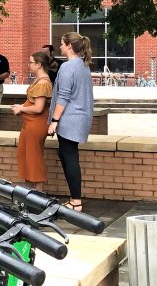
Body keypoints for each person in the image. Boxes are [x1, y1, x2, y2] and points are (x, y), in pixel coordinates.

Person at [47, 32, 94, 212]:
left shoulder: (68, 67)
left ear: (69, 46)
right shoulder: (83, 65)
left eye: (61, 43)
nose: (59, 46)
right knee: (66, 154)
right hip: (80, 117)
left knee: (70, 157)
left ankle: (76, 201)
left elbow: (63, 96)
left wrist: (54, 120)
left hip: (69, 119)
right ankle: (75, 199)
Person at [12, 51, 55, 191]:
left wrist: (21, 109)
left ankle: (38, 196)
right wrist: (21, 107)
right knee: (26, 158)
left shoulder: (43, 83)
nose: (28, 65)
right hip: (29, 125)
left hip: (36, 125)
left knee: (34, 159)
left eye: (30, 62)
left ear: (38, 64)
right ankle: (30, 194)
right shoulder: (39, 80)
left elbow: (38, 108)